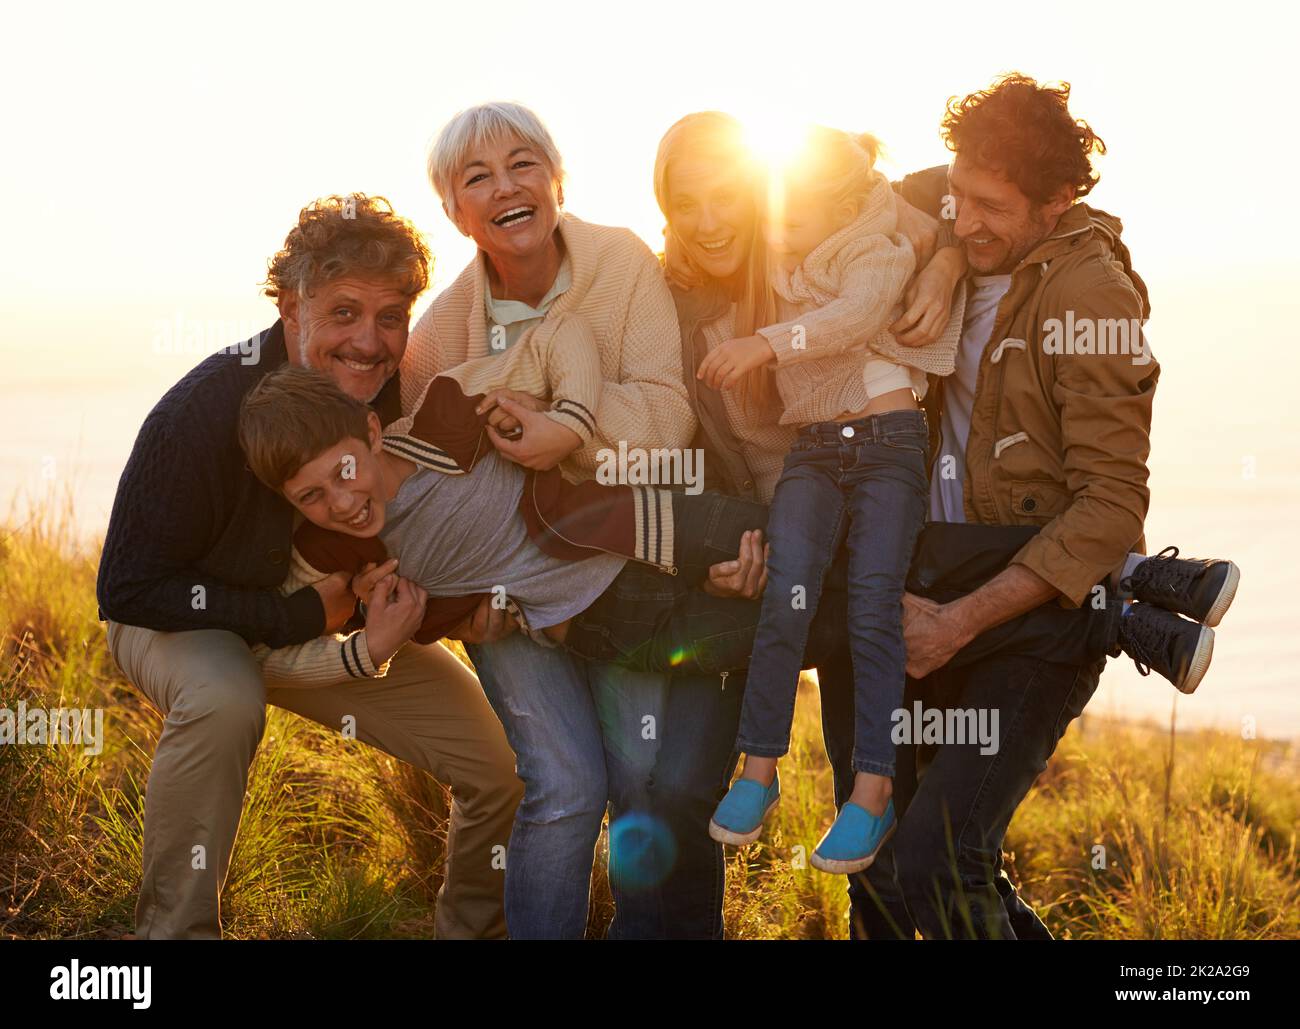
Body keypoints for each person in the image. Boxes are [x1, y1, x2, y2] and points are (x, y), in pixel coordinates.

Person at [95, 194, 522, 940]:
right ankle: (172, 937)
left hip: (328, 622)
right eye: (344, 313)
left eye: (391, 316)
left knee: (501, 763)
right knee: (226, 695)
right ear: (291, 307)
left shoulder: (396, 393)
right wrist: (294, 618)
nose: (370, 341)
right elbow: (128, 585)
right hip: (181, 619)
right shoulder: (200, 412)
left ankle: (470, 930)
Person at [399, 101, 702, 939]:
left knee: (639, 774)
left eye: (524, 162)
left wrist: (558, 428)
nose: (507, 186)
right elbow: (427, 498)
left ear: (557, 178)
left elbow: (668, 414)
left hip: (614, 567)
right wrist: (463, 608)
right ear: (457, 213)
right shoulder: (434, 342)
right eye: (478, 177)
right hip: (505, 593)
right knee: (564, 785)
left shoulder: (620, 263)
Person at [698, 125, 961, 873]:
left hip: (888, 446)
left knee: (874, 604)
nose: (776, 232)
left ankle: (870, 792)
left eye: (794, 217)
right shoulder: (785, 245)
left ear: (844, 206)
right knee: (786, 595)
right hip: (814, 447)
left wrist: (766, 344)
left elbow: (859, 314)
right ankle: (758, 769)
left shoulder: (879, 244)